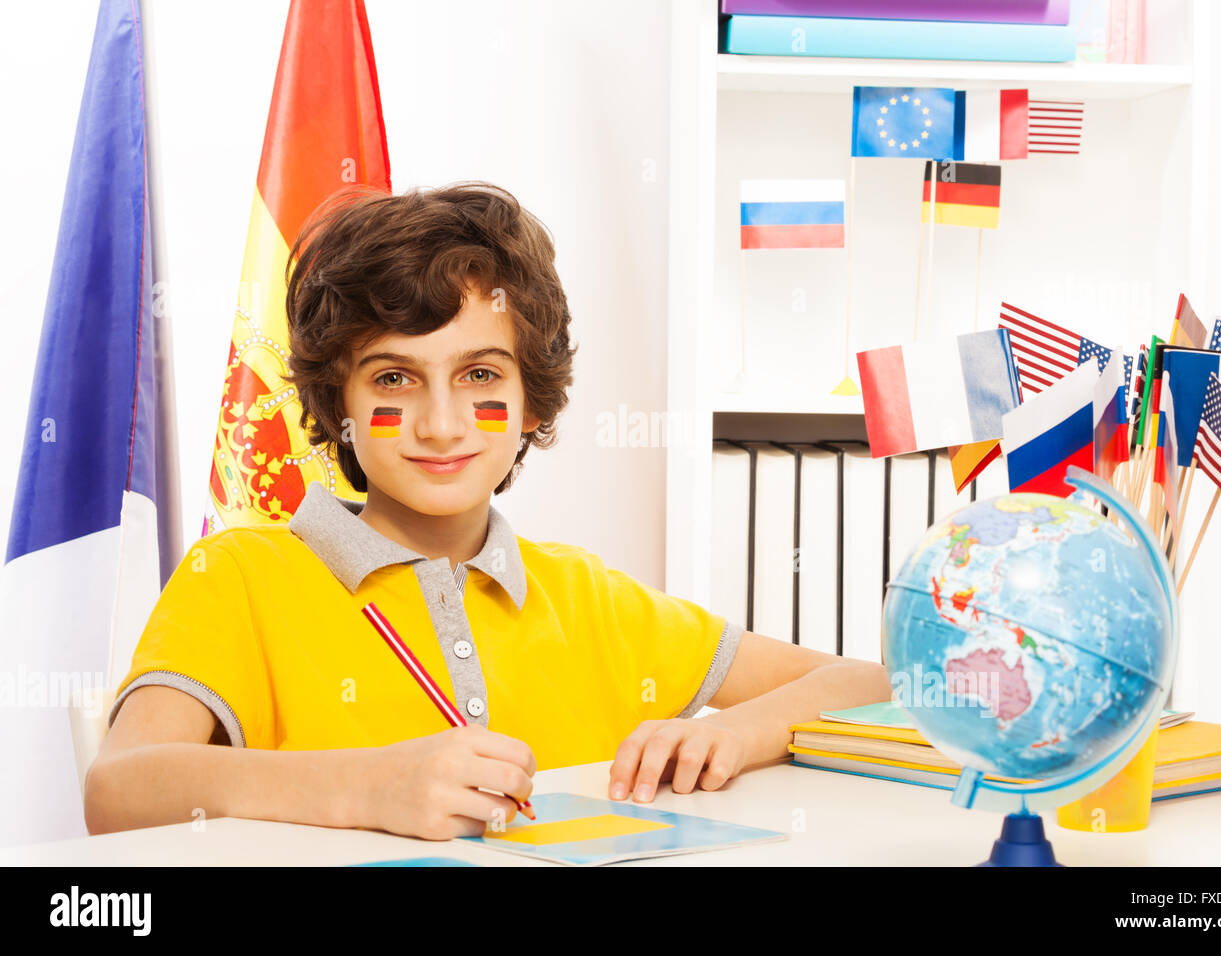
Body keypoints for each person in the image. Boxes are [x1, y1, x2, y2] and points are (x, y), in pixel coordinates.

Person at [84, 182, 890, 841]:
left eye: (480, 377)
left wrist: (729, 734)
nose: (441, 423)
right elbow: (118, 790)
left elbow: (867, 683)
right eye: (394, 380)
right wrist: (370, 787)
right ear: (341, 407)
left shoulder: (587, 598)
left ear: (533, 402)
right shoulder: (242, 577)